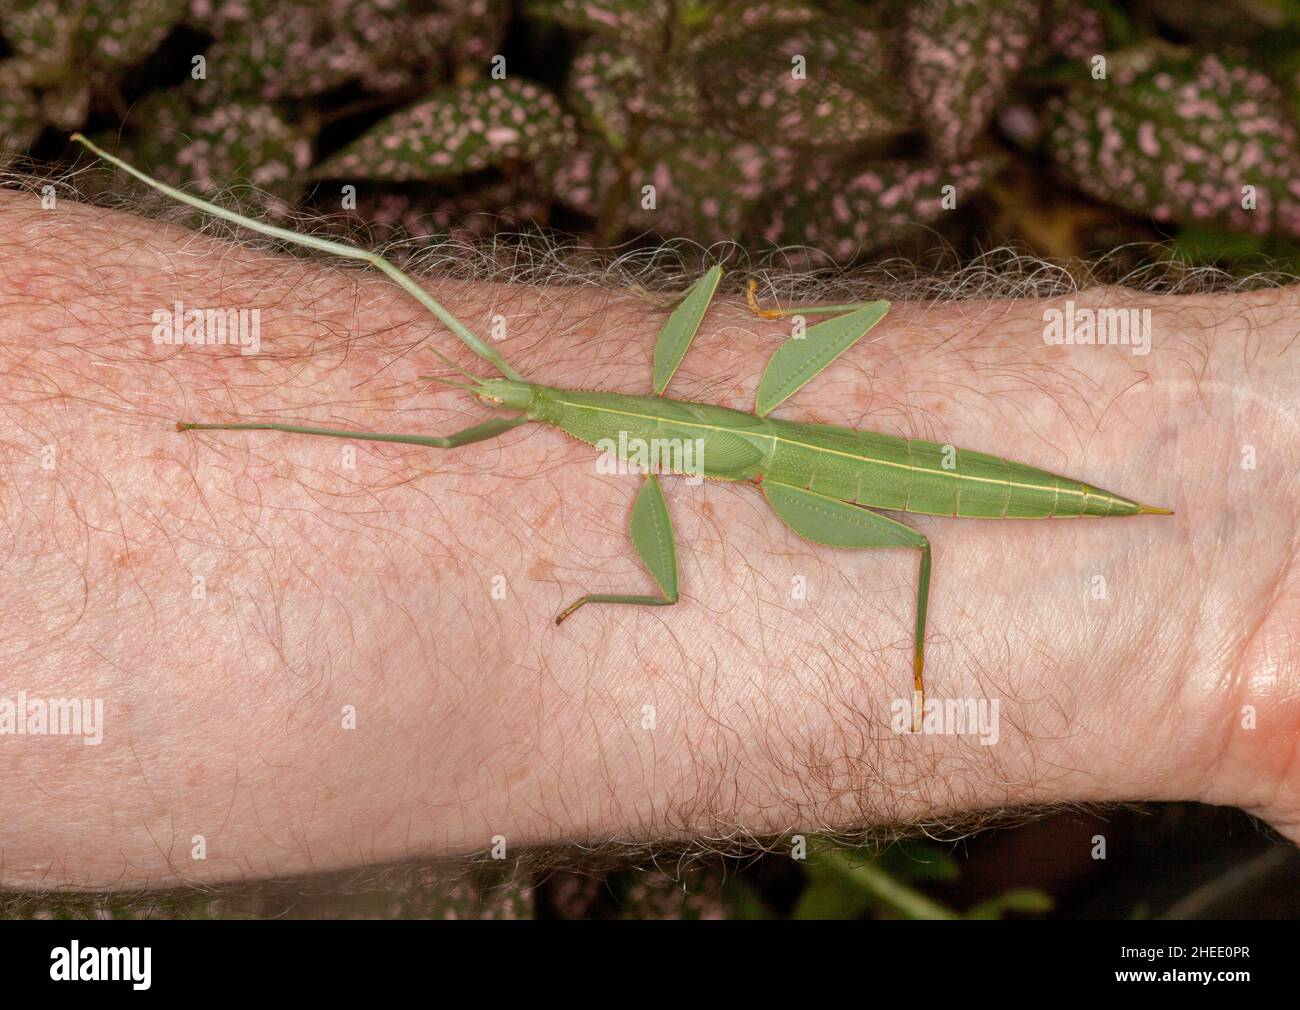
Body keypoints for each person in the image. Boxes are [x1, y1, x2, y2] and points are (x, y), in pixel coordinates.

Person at [0, 185, 1295, 890]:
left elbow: (664, 351)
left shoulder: (646, 446)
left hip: (804, 453)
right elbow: (511, 409)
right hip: (777, 445)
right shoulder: (627, 445)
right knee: (862, 512)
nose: (503, 409)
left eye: (520, 403)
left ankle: (1194, 525)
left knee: (902, 537)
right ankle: (1209, 535)